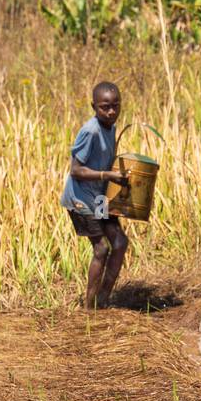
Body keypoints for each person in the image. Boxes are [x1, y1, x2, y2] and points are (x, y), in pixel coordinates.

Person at [61, 81, 131, 309]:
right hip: (81, 200)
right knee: (101, 248)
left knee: (119, 243)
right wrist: (107, 175)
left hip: (99, 198)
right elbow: (76, 170)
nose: (111, 112)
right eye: (104, 107)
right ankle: (89, 310)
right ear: (94, 106)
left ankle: (103, 299)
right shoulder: (90, 131)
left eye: (115, 106)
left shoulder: (111, 128)